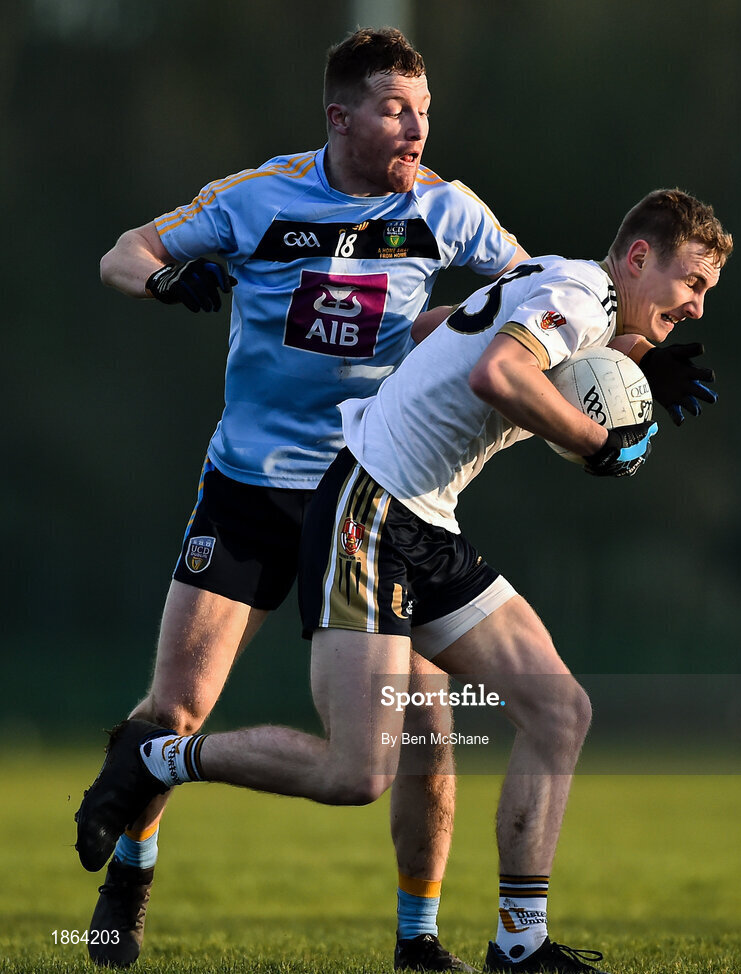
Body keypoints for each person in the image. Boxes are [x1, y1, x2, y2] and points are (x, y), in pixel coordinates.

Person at [77, 188, 732, 972]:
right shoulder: (579, 293)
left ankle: (518, 945)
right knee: (357, 773)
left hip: (423, 522)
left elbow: (437, 329)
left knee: (558, 710)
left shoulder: (561, 282)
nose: (695, 305)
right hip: (370, 512)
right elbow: (496, 371)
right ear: (638, 258)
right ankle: (158, 759)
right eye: (691, 282)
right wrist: (600, 442)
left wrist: (626, 362)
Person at [87, 25, 533, 971]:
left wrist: (610, 356)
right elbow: (120, 255)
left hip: (374, 493)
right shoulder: (259, 198)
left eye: (423, 109)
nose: (416, 128)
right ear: (339, 117)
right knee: (175, 711)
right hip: (252, 490)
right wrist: (165, 278)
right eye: (394, 109)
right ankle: (129, 878)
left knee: (427, 726)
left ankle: (417, 940)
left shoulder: (446, 209)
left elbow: (526, 302)